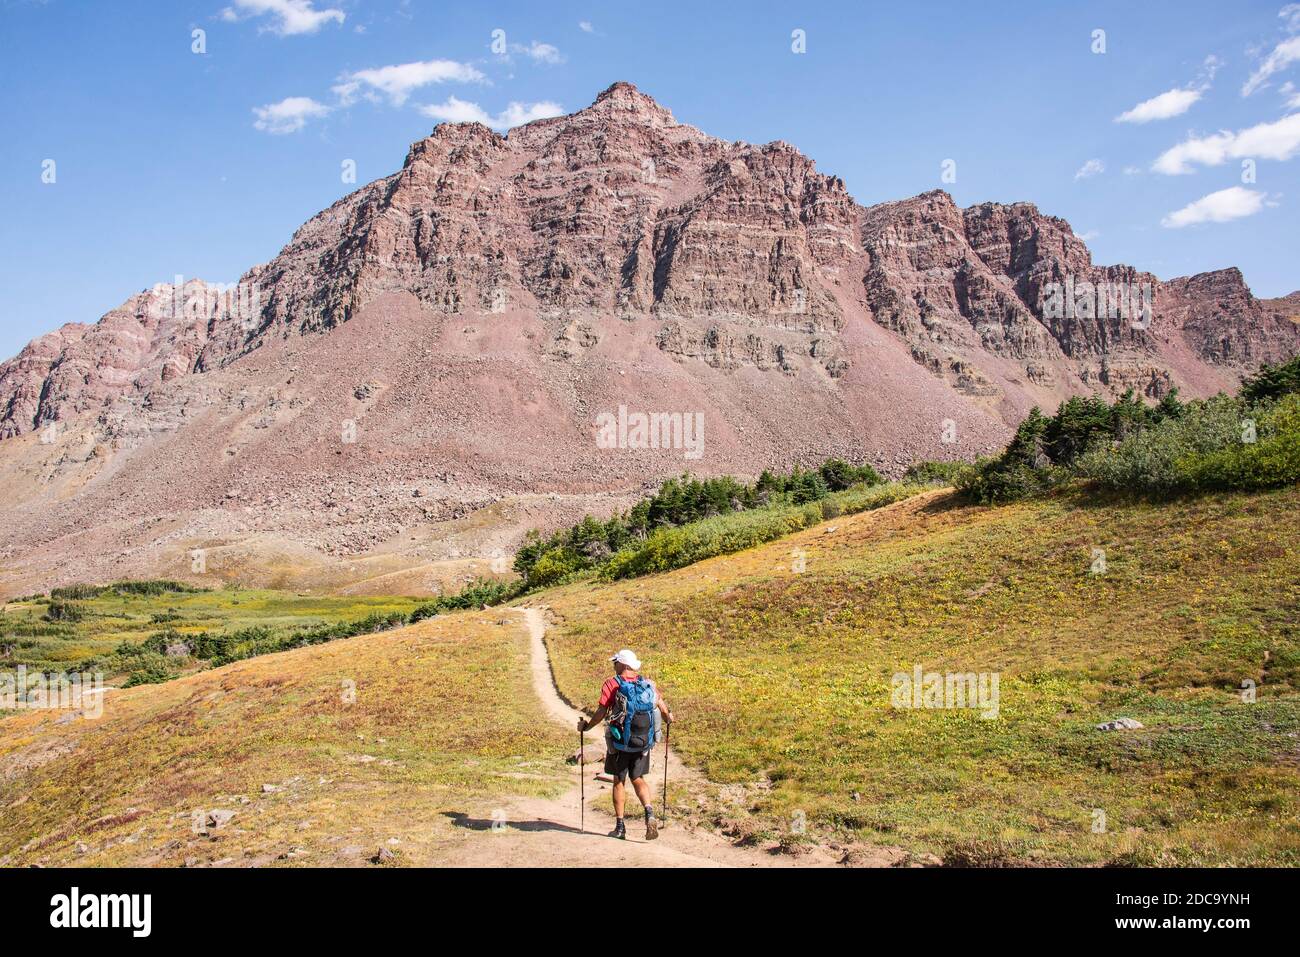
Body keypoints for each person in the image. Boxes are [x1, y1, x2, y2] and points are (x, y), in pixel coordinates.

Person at [578, 648, 674, 840]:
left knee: (619, 781)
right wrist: (668, 718)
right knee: (638, 778)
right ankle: (649, 814)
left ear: (623, 664)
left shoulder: (612, 684)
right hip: (642, 742)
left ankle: (620, 827)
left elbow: (602, 711)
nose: (613, 665)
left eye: (615, 662)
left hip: (620, 742)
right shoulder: (646, 684)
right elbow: (662, 708)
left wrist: (586, 727)